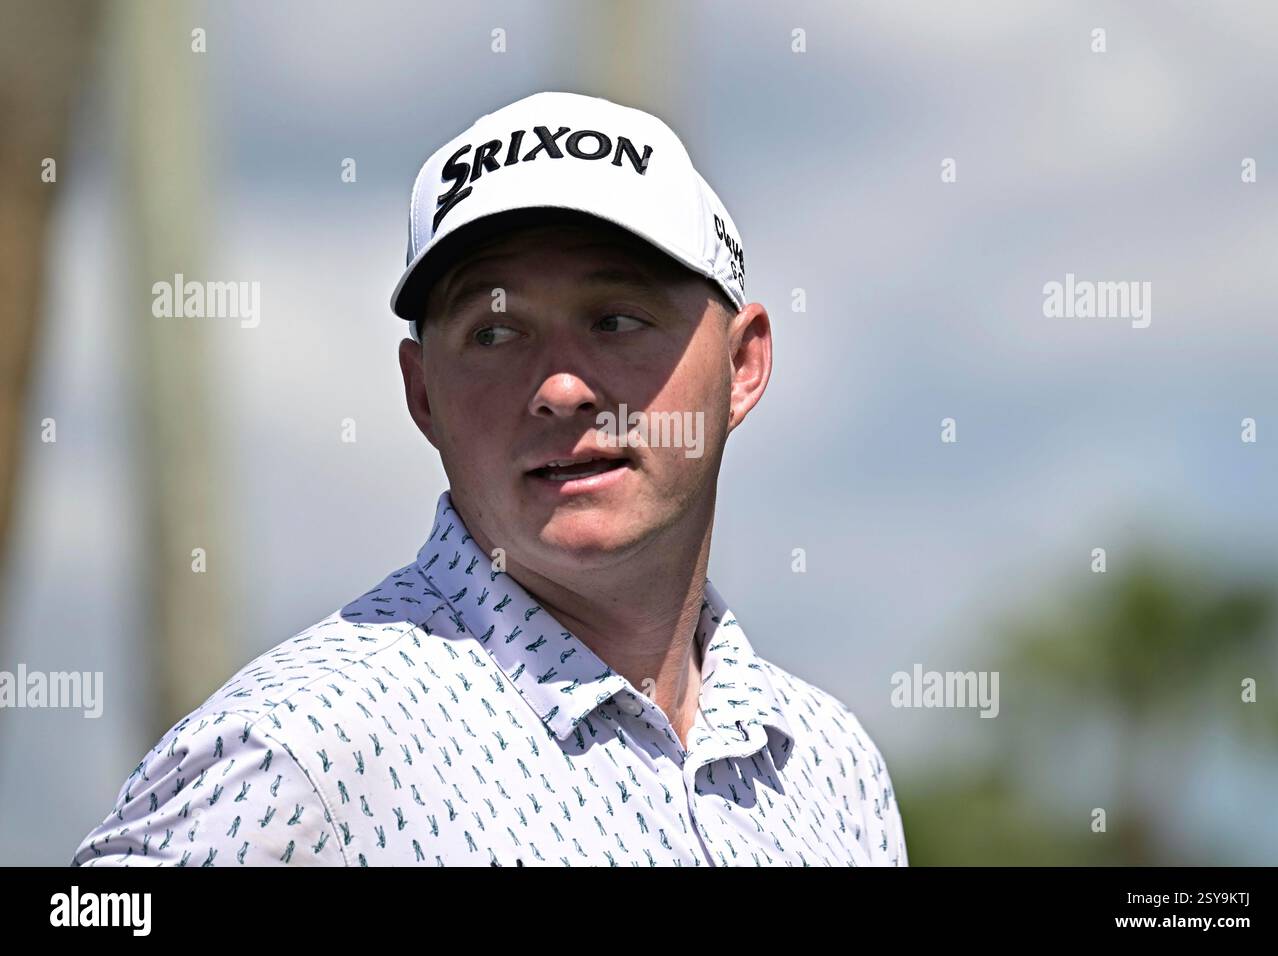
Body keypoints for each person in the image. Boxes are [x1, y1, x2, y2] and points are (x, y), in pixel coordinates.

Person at [71, 91, 907, 866]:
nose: (560, 388)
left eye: (617, 320)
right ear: (422, 392)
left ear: (743, 364)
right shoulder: (299, 749)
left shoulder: (830, 766)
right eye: (495, 334)